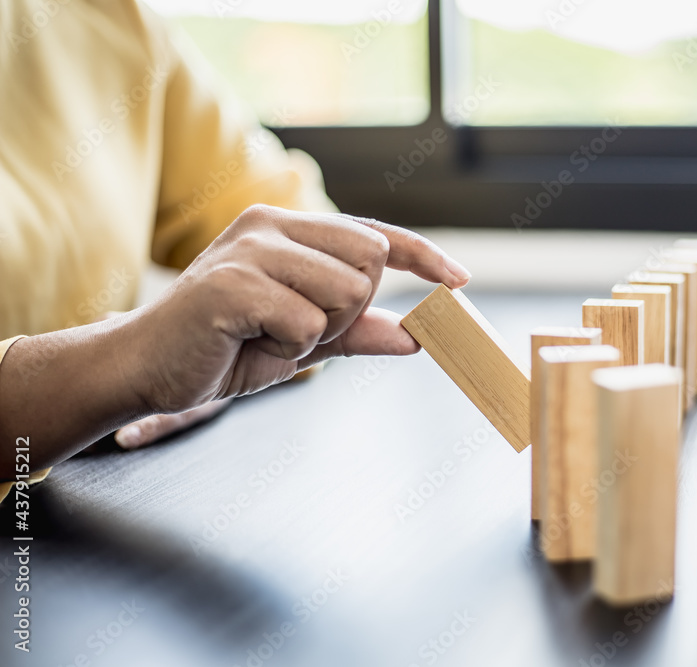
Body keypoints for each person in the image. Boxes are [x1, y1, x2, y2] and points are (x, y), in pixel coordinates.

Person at [0, 0, 470, 500]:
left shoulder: (111, 18)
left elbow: (286, 214)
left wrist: (203, 358)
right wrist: (130, 365)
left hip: (81, 499)